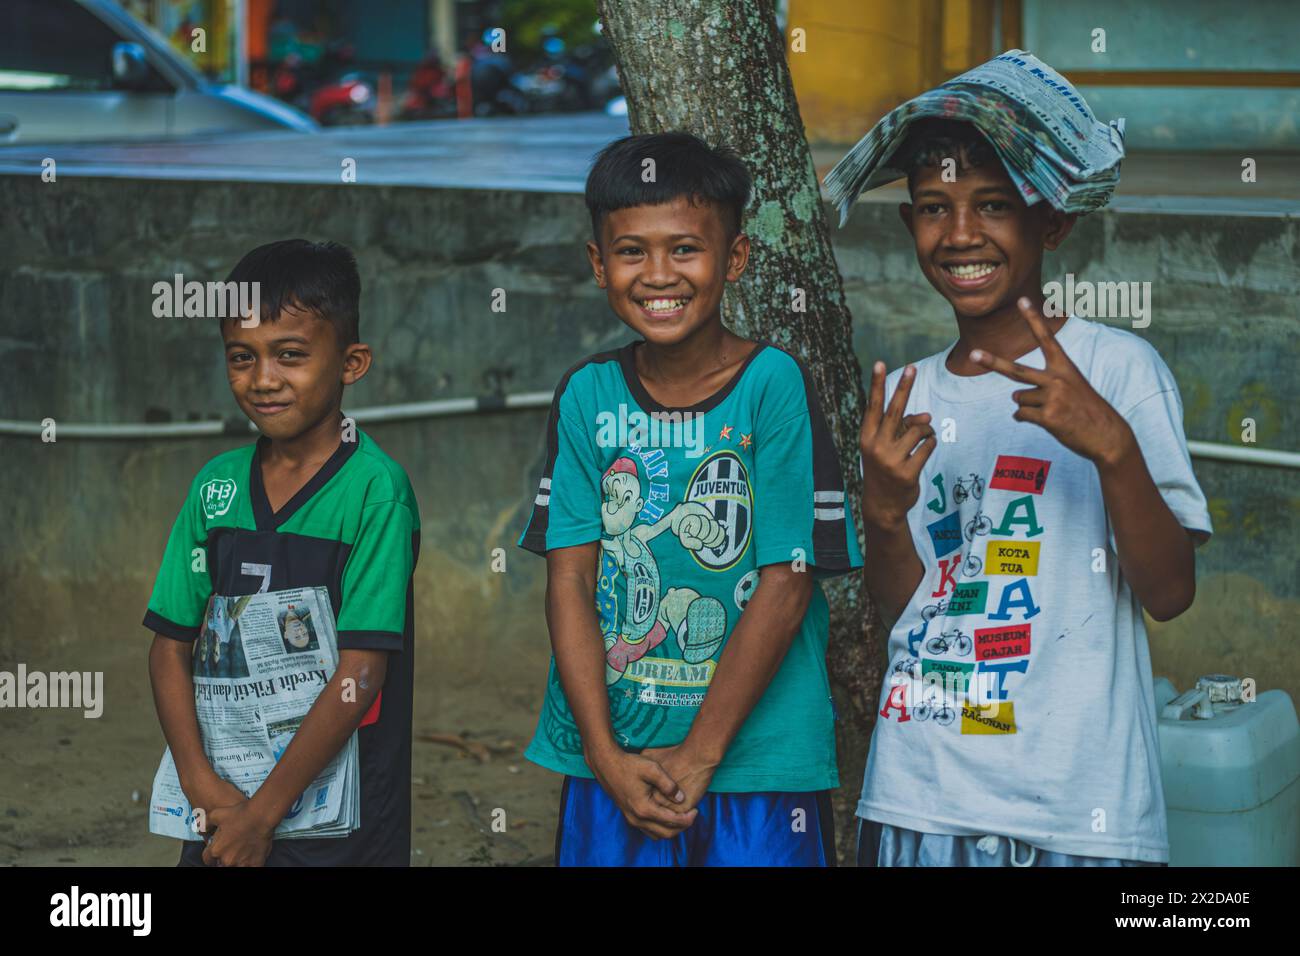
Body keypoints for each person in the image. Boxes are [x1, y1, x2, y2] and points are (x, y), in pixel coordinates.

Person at [853, 110, 1212, 866]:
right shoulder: (907, 393)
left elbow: (1170, 592)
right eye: (932, 207)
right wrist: (883, 513)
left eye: (992, 204)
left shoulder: (1119, 372)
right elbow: (908, 603)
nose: (959, 234)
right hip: (922, 792)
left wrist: (1113, 449)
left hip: (1081, 805)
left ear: (1049, 223)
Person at [518, 132, 863, 866]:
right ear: (597, 264)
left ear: (734, 259)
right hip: (616, 762)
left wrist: (701, 755)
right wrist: (604, 756)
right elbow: (571, 578)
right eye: (631, 251)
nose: (657, 274)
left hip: (756, 765)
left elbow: (786, 583)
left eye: (685, 249)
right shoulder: (588, 394)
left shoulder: (772, 385)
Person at [144, 239, 420, 866]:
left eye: (290, 355)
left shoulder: (376, 492)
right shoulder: (214, 489)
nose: (263, 379)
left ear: (352, 363)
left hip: (339, 817)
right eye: (241, 357)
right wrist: (201, 784)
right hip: (222, 800)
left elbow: (362, 671)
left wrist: (264, 815)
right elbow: (168, 646)